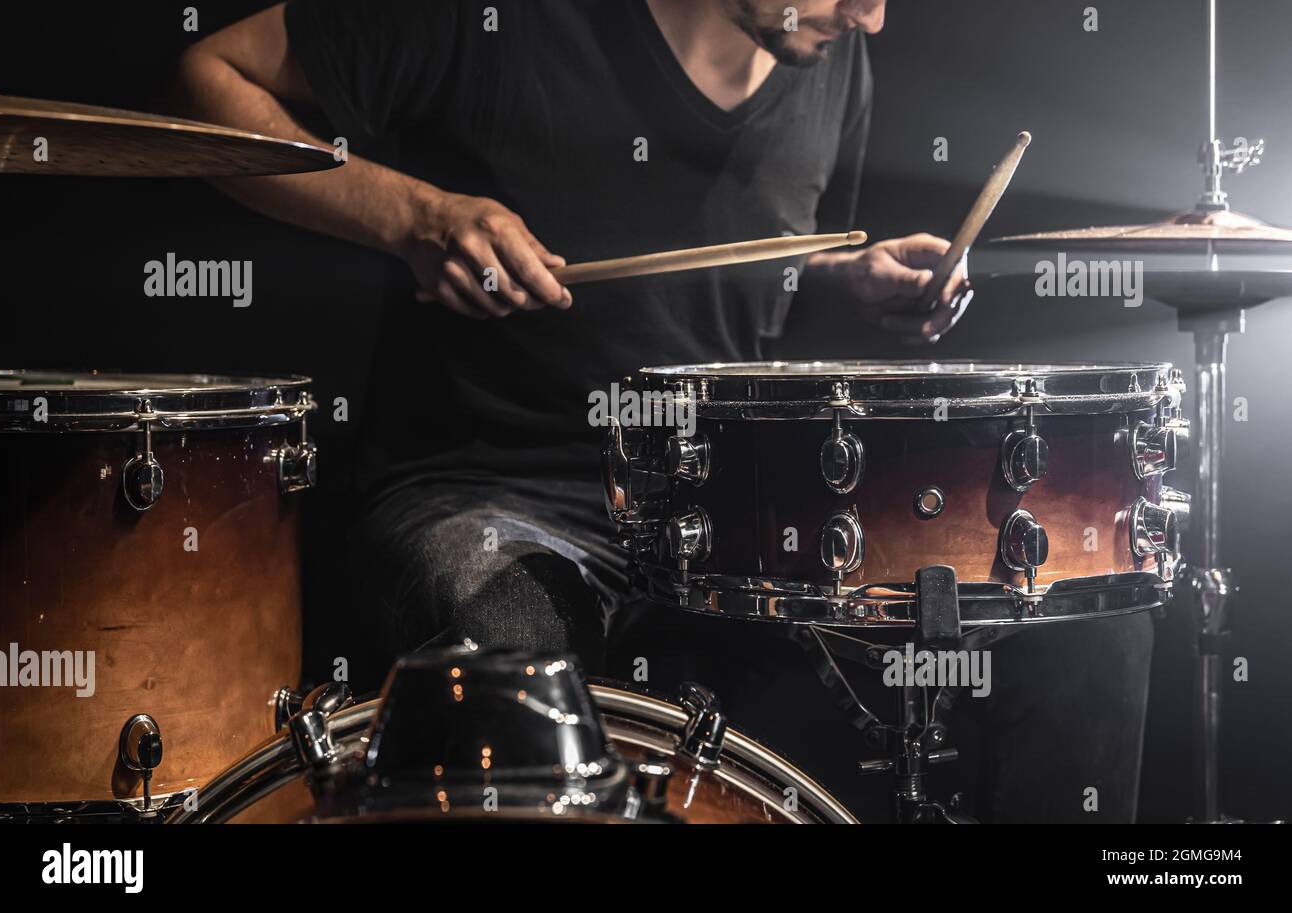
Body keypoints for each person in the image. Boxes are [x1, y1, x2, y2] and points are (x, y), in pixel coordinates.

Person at [178, 0, 1151, 822]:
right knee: (514, 653)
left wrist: (842, 278)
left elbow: (756, 259)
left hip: (727, 510)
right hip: (492, 487)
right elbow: (207, 79)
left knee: (1087, 627)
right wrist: (413, 214)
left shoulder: (825, 51)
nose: (872, 18)